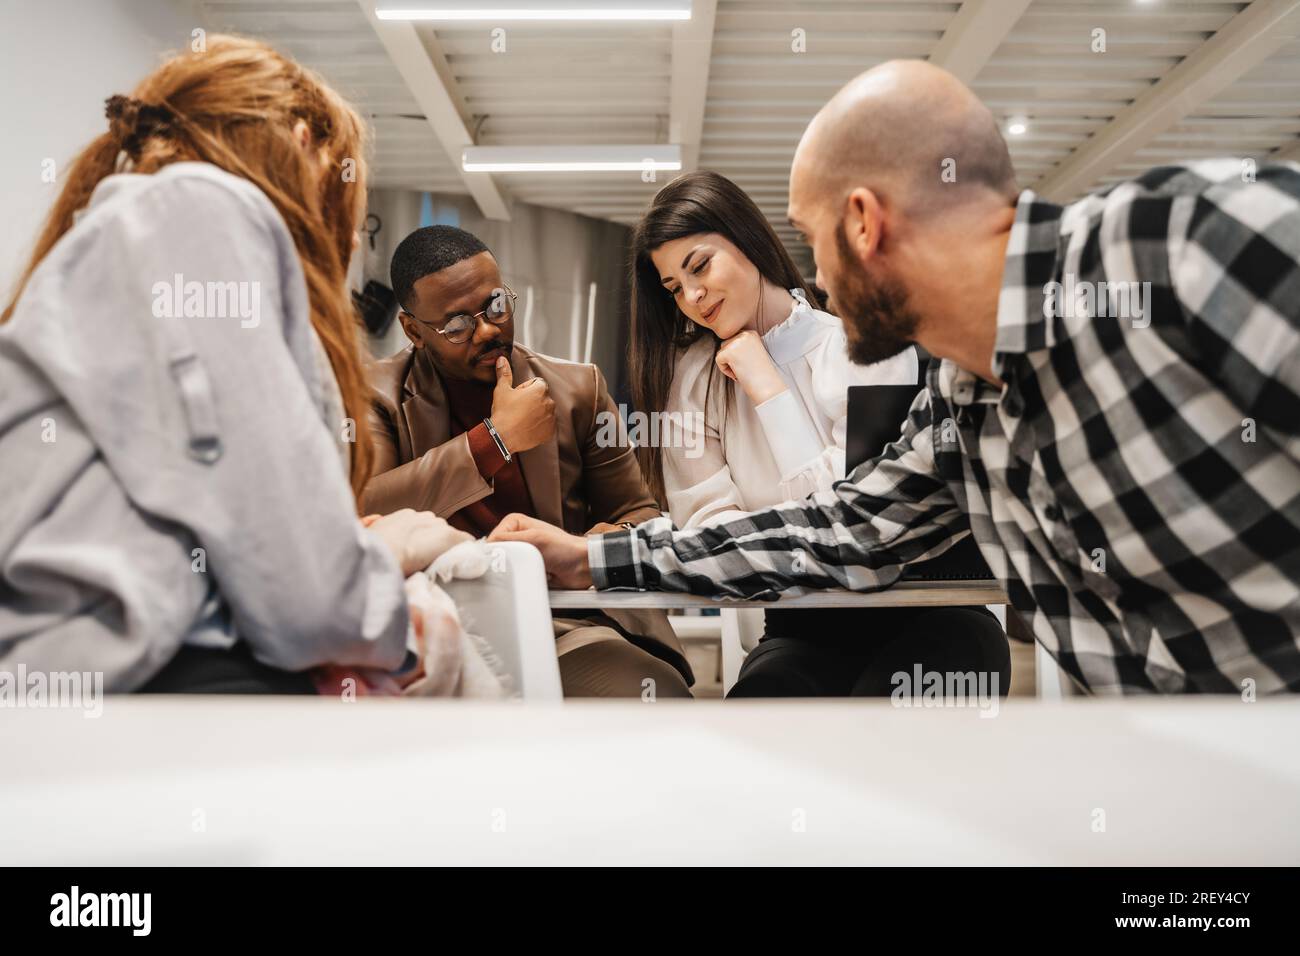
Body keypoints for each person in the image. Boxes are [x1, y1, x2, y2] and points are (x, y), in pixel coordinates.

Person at [491, 59, 1300, 695]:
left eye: (813, 242)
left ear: (863, 224)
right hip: (1183, 783)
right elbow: (835, 532)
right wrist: (592, 561)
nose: (817, 278)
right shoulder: (961, 408)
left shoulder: (1183, 242)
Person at [0, 36, 469, 693]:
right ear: (302, 143)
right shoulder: (196, 209)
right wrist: (392, 550)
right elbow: (310, 604)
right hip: (148, 686)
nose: (336, 233)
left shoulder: (141, 229)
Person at [629, 169, 1009, 697]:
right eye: (673, 287)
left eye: (700, 266)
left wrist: (767, 388)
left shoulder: (866, 346)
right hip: (800, 627)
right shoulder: (693, 380)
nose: (692, 295)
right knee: (756, 720)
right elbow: (706, 530)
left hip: (931, 612)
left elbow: (851, 528)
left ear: (746, 240)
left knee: (889, 725)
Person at [362, 226, 693, 698]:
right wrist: (495, 441)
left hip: (566, 621)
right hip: (430, 624)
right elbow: (364, 510)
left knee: (655, 697)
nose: (488, 330)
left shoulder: (579, 389)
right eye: (457, 326)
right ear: (414, 330)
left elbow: (638, 515)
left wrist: (582, 550)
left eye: (496, 304)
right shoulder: (373, 395)